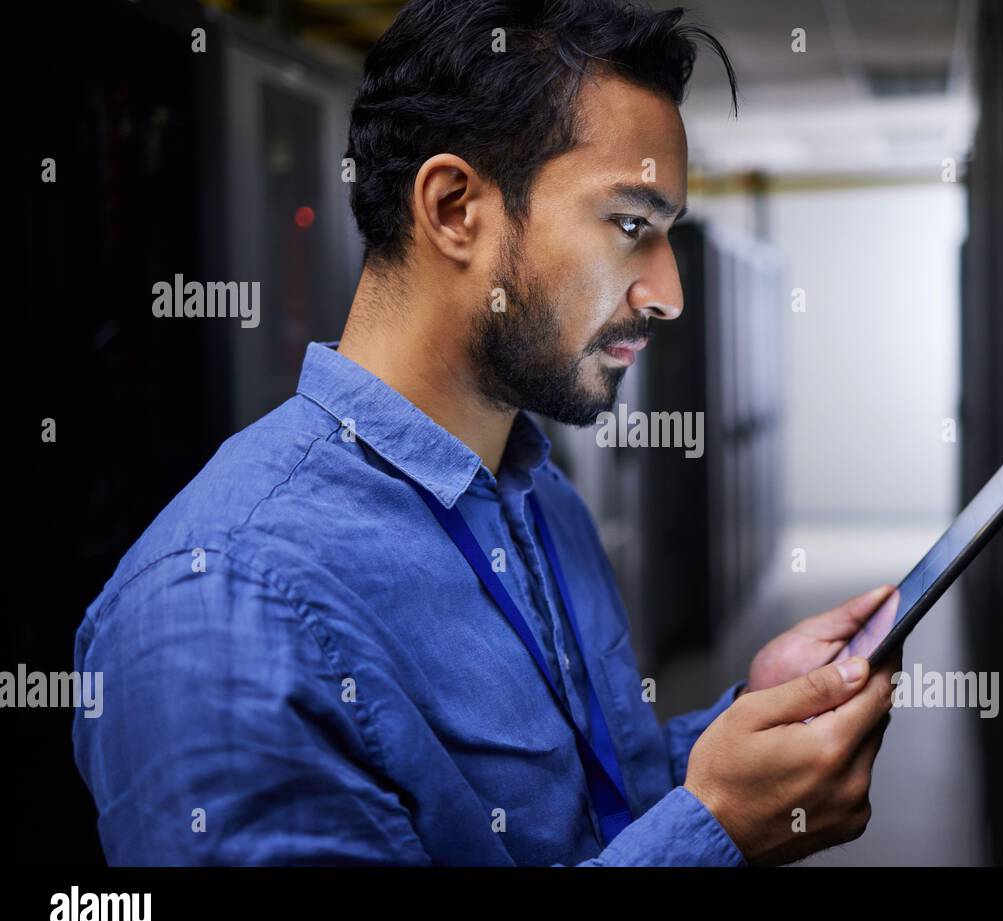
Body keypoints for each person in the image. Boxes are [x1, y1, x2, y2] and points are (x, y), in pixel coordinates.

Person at [72, 0, 900, 866]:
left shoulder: (540, 495)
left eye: (668, 236)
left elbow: (585, 812)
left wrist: (744, 733)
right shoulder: (224, 609)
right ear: (455, 208)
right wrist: (715, 834)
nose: (667, 293)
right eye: (630, 226)